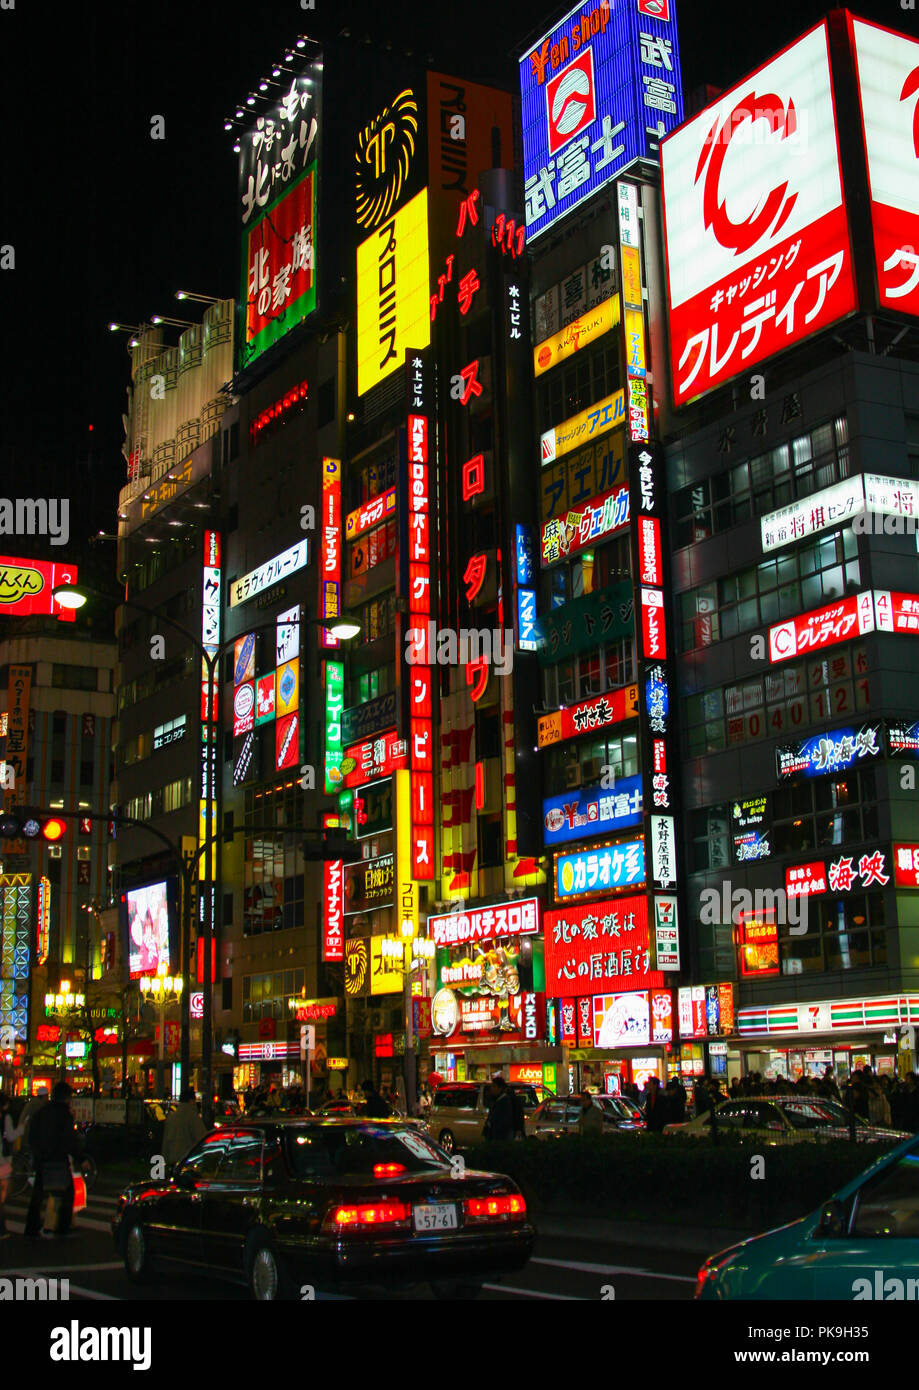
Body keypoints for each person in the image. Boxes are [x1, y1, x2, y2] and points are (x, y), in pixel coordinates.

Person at [24, 1080, 80, 1238]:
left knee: (38, 1194)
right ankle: (62, 1228)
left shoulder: (41, 1112)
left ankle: (31, 1228)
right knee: (67, 1194)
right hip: (58, 1159)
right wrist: (79, 1157)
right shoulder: (65, 1115)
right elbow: (70, 1140)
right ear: (66, 1098)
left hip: (42, 1159)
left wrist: (37, 1154)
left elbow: (32, 1136)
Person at [0, 1093, 25, 1239]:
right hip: (3, 1164)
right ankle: (1, 1229)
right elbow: (10, 1136)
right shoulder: (6, 1118)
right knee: (2, 1199)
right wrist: (22, 1128)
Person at [162, 1087, 206, 1166]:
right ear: (191, 1101)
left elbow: (166, 1141)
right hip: (188, 1160)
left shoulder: (172, 1117)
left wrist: (165, 1159)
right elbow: (201, 1138)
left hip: (173, 1159)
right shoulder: (193, 1117)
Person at [482, 1076, 515, 1142]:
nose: (491, 1089)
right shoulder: (497, 1100)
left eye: (494, 1086)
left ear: (500, 1088)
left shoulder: (504, 1102)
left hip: (499, 1137)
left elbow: (502, 1122)